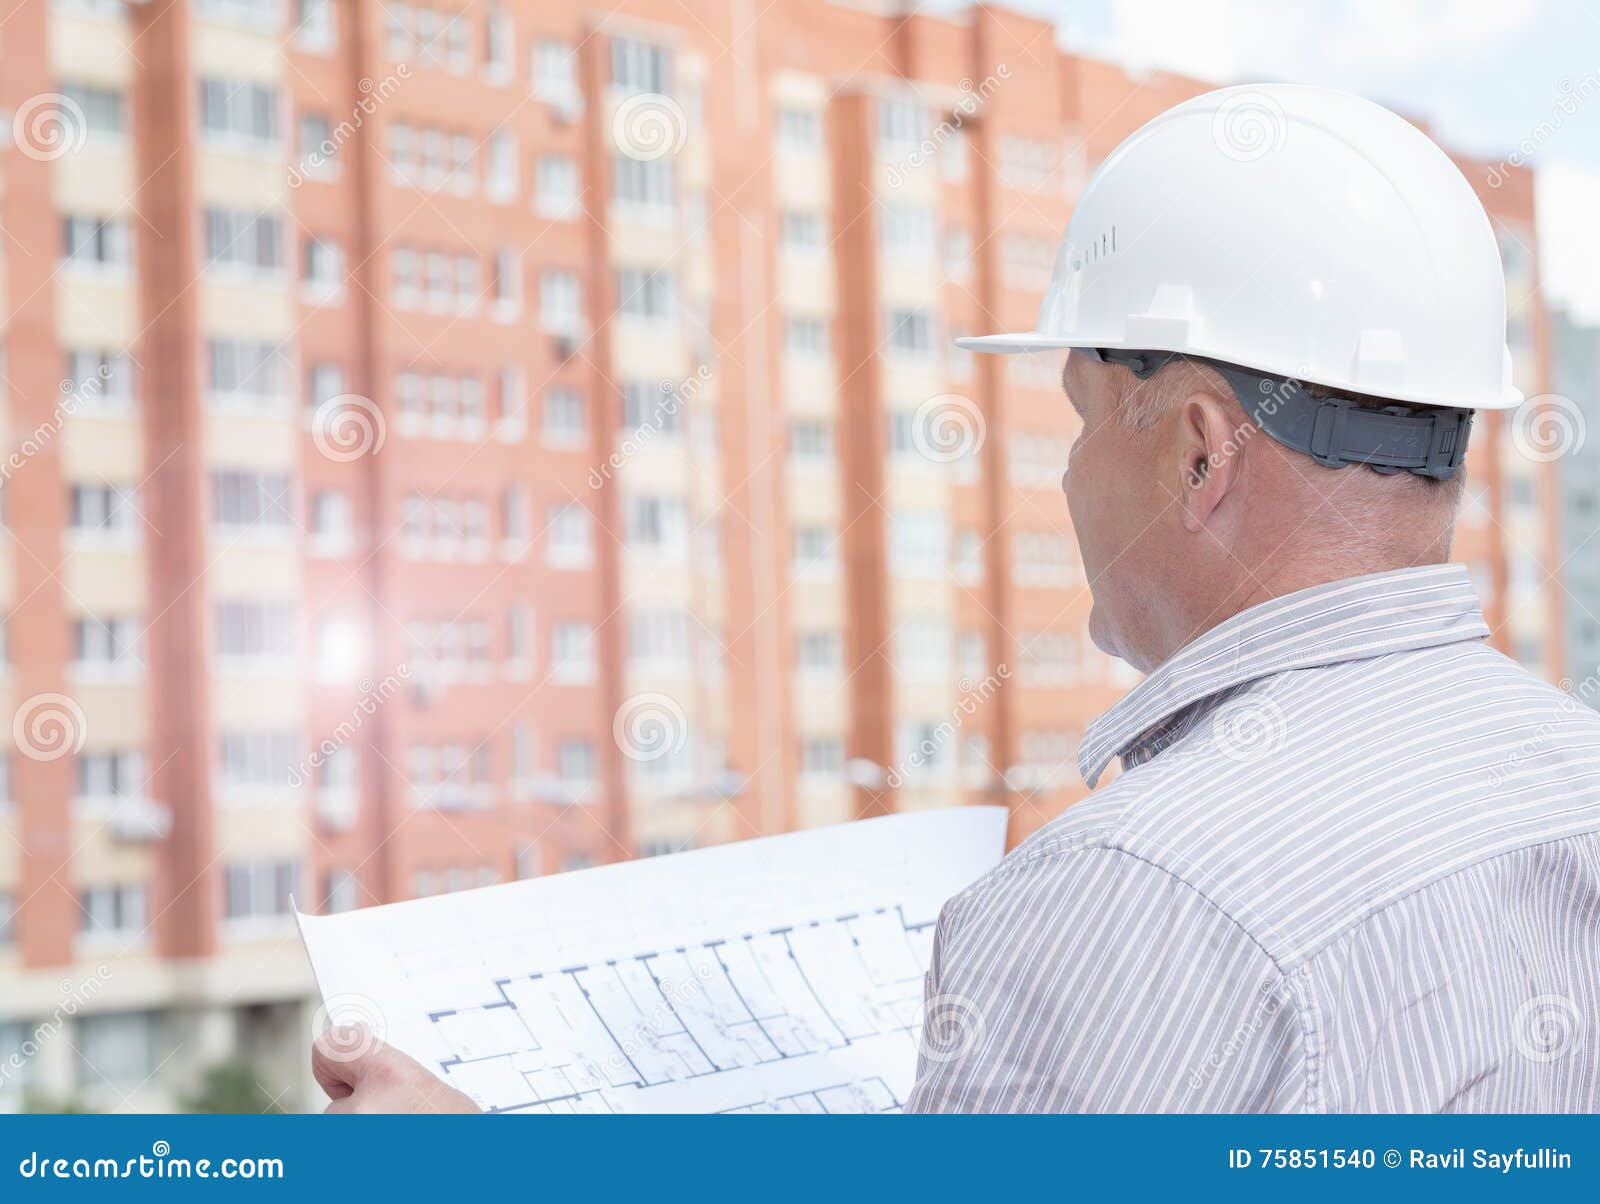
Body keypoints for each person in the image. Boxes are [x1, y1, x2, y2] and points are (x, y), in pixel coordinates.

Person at [312, 83, 1600, 1113]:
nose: (1066, 472)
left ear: (1199, 451)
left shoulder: (1129, 902)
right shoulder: (1570, 771)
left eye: (1085, 416)